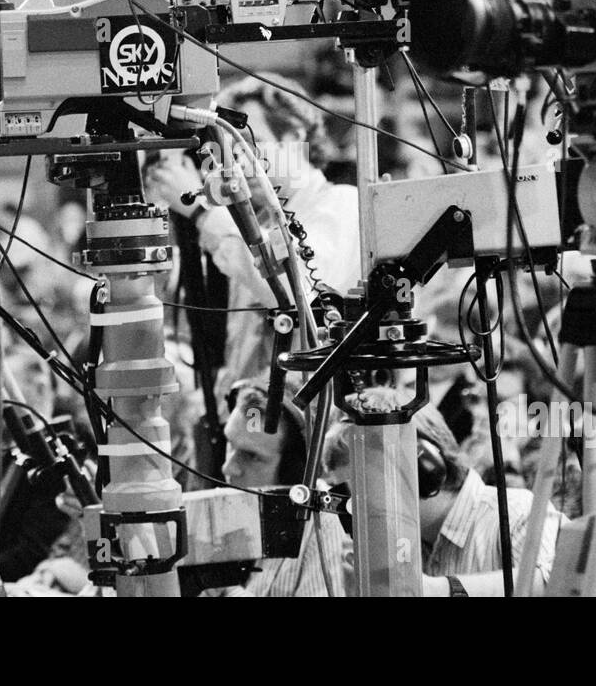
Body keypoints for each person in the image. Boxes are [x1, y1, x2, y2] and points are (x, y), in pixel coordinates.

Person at [145, 71, 361, 396]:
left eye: (249, 144)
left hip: (310, 420)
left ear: (294, 134)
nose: (238, 164)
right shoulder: (258, 228)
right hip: (257, 420)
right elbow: (240, 354)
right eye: (231, 151)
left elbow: (293, 294)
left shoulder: (342, 204)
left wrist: (204, 214)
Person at [323, 387, 565, 596]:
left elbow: (555, 583)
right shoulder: (401, 545)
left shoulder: (517, 513)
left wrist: (437, 590)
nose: (356, 506)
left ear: (422, 465)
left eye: (366, 487)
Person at [213, 380, 348, 597]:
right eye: (230, 444)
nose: (228, 467)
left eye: (251, 456)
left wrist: (223, 591)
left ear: (294, 469)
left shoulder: (323, 525)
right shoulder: (215, 509)